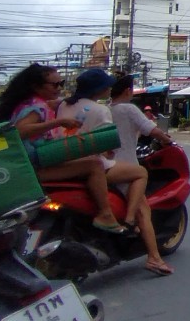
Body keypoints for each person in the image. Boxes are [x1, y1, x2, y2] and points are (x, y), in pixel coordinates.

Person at [0, 63, 125, 233]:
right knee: (94, 165)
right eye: (54, 85)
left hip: (37, 162)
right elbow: (20, 130)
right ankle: (105, 214)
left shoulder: (32, 103)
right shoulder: (37, 107)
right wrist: (59, 122)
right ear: (36, 86)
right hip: (36, 166)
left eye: (61, 83)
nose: (59, 88)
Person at [58, 69, 151, 236]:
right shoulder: (100, 110)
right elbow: (108, 147)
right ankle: (129, 219)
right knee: (141, 173)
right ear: (99, 89)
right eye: (107, 86)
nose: (110, 89)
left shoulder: (64, 105)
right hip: (92, 165)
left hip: (64, 162)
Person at [109, 75, 176, 276]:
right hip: (125, 167)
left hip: (105, 166)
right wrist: (167, 141)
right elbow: (152, 130)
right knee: (143, 211)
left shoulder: (107, 109)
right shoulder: (128, 109)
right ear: (128, 91)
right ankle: (154, 258)